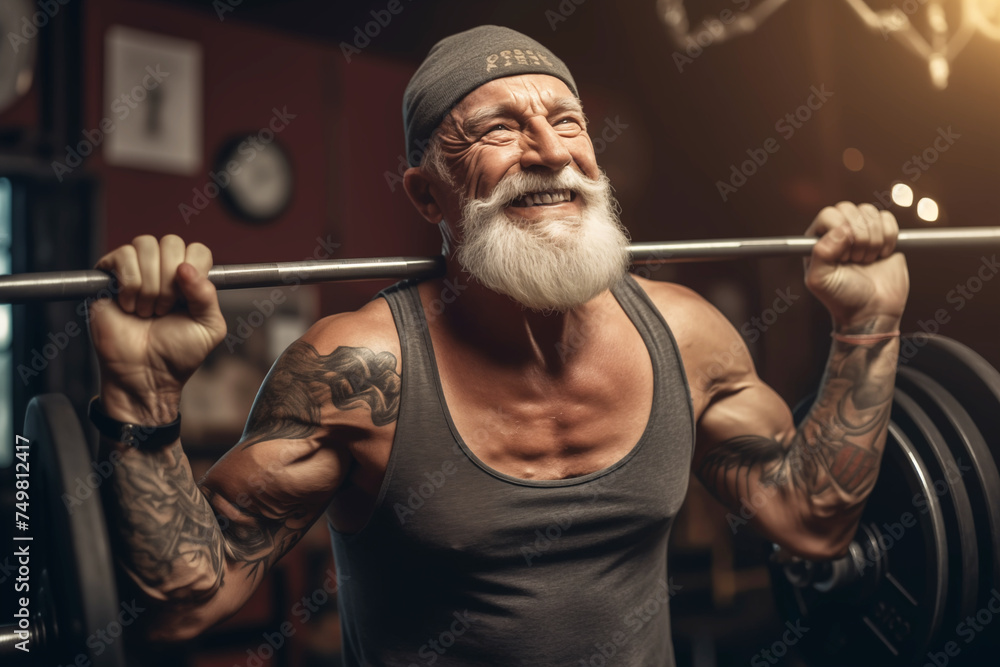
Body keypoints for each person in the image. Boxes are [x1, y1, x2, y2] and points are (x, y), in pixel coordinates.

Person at [86, 25, 908, 666]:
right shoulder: (361, 371)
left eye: (565, 122)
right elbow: (182, 602)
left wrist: (867, 326)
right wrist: (143, 401)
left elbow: (809, 521)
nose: (549, 152)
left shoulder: (685, 335)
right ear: (425, 192)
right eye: (499, 130)